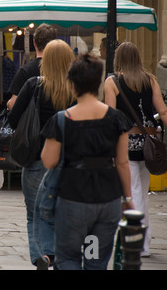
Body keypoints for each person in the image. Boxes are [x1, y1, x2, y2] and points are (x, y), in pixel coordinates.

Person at [41, 53, 135, 270]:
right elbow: (122, 162)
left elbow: (48, 161)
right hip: (107, 200)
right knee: (95, 261)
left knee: (68, 258)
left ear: (73, 85)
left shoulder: (62, 120)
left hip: (73, 199)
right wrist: (127, 198)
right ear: (98, 83)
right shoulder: (115, 119)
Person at [8, 39, 75, 269]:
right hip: (68, 162)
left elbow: (12, 119)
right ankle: (57, 255)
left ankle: (42, 256)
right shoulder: (75, 89)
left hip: (36, 158)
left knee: (34, 214)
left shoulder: (33, 85)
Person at [104, 42, 167, 257]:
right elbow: (163, 111)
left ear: (118, 58)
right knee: (143, 193)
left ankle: (136, 242)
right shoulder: (150, 80)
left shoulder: (112, 82)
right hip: (148, 144)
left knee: (133, 193)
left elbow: (111, 117)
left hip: (125, 143)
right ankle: (144, 243)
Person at [7, 23, 57, 110]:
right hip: (58, 122)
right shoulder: (61, 69)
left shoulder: (25, 71)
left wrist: (8, 103)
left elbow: (13, 105)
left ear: (34, 43)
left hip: (33, 122)